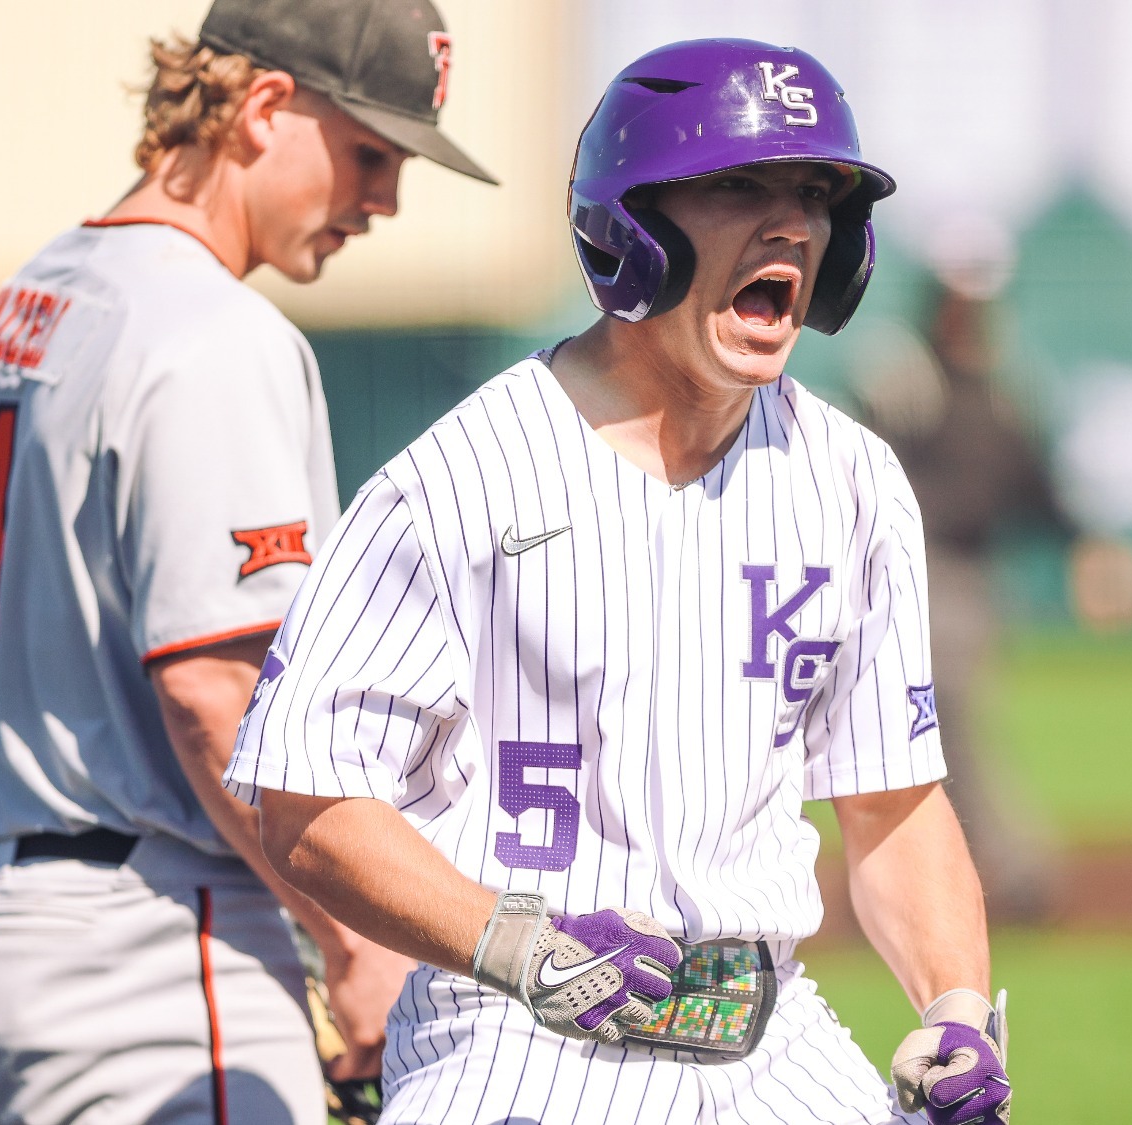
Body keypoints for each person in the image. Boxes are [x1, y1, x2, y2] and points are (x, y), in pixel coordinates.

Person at [226, 39, 1009, 1125]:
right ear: (629, 225)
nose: (791, 224)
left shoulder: (852, 481)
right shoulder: (457, 479)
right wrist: (517, 944)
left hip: (770, 1039)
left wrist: (955, 1005)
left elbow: (891, 802)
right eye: (740, 185)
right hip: (511, 1036)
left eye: (816, 194)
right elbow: (304, 799)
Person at [0, 1, 496, 1122]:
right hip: (146, 966)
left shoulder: (13, 307)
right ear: (264, 108)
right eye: (370, 152)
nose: (384, 200)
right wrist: (353, 936)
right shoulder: (214, 334)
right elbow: (214, 690)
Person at [857, 277, 1132, 921]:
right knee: (905, 733)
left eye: (980, 304)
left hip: (967, 582)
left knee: (942, 728)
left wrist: (1086, 544)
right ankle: (916, 878)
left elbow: (1037, 489)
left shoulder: (998, 394)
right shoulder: (907, 381)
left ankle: (1015, 872)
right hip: (912, 574)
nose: (972, 318)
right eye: (962, 303)